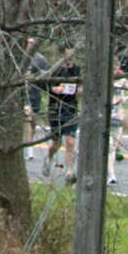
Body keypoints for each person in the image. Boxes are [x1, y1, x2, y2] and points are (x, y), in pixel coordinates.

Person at [45, 51, 82, 182]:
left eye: (71, 53)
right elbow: (45, 85)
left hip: (71, 108)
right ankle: (49, 157)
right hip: (56, 109)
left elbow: (81, 86)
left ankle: (69, 170)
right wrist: (54, 90)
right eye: (66, 54)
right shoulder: (55, 69)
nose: (69, 57)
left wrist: (80, 90)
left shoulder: (77, 70)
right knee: (57, 143)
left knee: (70, 142)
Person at [107, 62, 128, 184]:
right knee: (107, 145)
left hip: (117, 115)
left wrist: (123, 99)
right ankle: (109, 172)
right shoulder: (103, 78)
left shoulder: (122, 81)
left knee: (112, 147)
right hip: (104, 115)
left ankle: (111, 173)